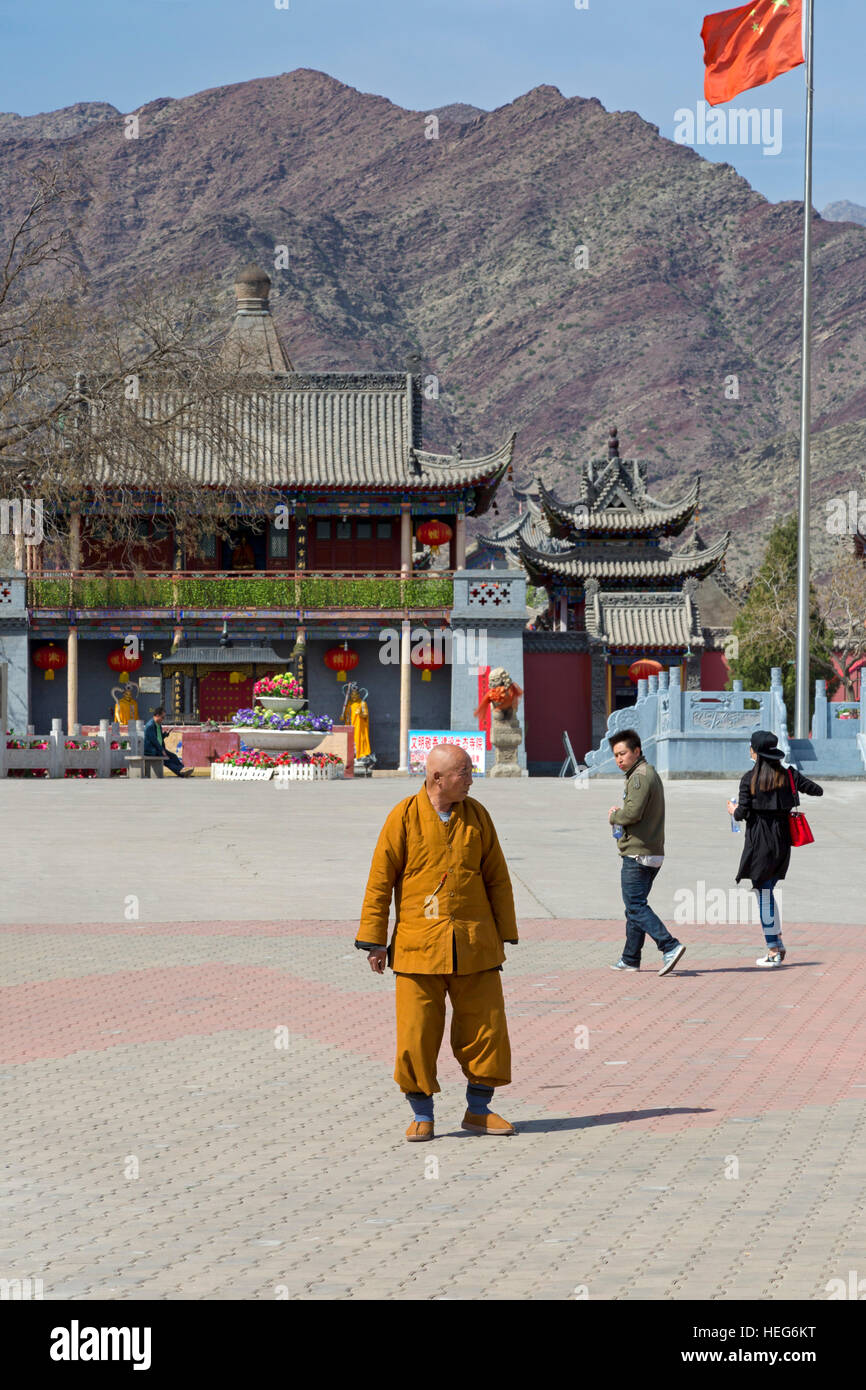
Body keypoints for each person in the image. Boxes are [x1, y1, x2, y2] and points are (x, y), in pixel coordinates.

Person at [356, 744, 518, 1140]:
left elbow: (496, 875)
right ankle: (422, 1114)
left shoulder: (477, 815)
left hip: (474, 944)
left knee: (486, 1029)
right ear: (437, 778)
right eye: (464, 773)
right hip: (417, 947)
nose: (471, 780)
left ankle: (479, 1110)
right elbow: (381, 880)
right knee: (416, 1034)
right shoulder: (404, 817)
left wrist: (503, 931)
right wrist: (375, 941)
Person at [726, 730, 823, 967]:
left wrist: (732, 809)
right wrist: (794, 784)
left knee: (764, 895)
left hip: (759, 839)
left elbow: (742, 813)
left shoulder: (749, 779)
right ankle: (777, 943)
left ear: (756, 752)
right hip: (782, 839)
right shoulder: (788, 775)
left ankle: (773, 950)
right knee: (766, 892)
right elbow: (817, 790)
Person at [608, 729, 686, 976]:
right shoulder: (644, 773)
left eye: (623, 753)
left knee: (635, 905)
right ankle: (630, 958)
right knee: (635, 906)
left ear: (637, 751)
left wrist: (614, 816)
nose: (619, 759)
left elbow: (632, 814)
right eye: (616, 755)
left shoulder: (639, 777)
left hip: (638, 852)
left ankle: (669, 945)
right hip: (651, 850)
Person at [142, 706, 194, 777]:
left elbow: (158, 737)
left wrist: (165, 734)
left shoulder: (158, 725)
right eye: (162, 717)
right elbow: (154, 741)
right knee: (167, 760)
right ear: (157, 715)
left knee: (174, 756)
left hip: (158, 749)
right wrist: (162, 750)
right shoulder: (150, 726)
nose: (163, 720)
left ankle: (183, 770)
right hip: (151, 750)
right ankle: (180, 772)